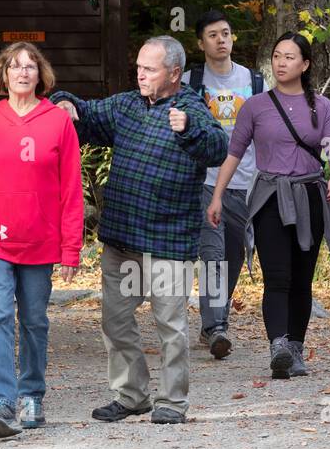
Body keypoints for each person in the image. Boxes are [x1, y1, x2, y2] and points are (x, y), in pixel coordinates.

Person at [52, 36, 228, 425]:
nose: (141, 74)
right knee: (115, 321)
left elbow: (219, 145)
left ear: (174, 74)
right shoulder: (128, 104)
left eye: (149, 69)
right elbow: (87, 114)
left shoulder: (191, 108)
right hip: (123, 238)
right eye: (139, 67)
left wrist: (188, 131)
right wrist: (64, 102)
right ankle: (132, 395)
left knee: (170, 325)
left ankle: (172, 401)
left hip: (168, 240)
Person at [0, 42, 83, 437]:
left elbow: (71, 190)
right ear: (3, 75)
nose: (23, 72)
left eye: (30, 67)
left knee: (35, 321)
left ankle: (32, 393)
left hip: (40, 239)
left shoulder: (58, 122)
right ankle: (1, 400)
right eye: (15, 66)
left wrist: (71, 248)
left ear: (40, 76)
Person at [208, 32, 330, 379]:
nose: (281, 63)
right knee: (277, 276)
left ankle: (296, 349)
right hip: (269, 197)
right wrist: (217, 196)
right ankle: (278, 347)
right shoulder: (255, 106)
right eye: (277, 56)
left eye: (289, 57)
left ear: (305, 64)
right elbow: (234, 153)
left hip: (310, 196)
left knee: (302, 278)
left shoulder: (322, 107)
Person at [188, 10, 264, 359]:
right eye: (213, 35)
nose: (221, 40)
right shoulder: (191, 81)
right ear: (201, 42)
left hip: (246, 182)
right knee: (213, 255)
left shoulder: (257, 82)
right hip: (203, 180)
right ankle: (215, 326)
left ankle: (216, 321)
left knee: (233, 255)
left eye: (226, 33)